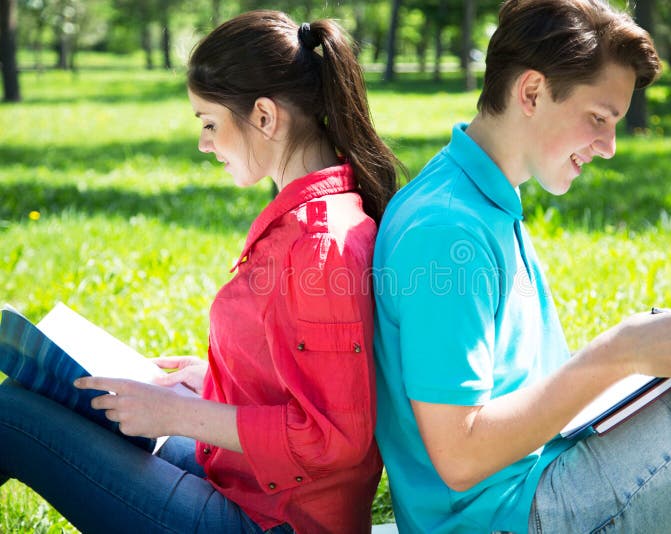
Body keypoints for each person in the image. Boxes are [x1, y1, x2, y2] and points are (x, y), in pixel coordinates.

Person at [371, 0, 671, 532]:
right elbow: (460, 457)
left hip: (538, 474)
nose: (610, 147)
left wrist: (645, 365)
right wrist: (618, 355)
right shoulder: (448, 231)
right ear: (531, 92)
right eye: (598, 119)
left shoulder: (477, 198)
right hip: (512, 513)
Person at [0, 10, 400, 534]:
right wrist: (214, 383)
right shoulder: (312, 219)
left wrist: (174, 414)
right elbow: (305, 379)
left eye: (209, 123)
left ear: (263, 115)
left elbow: (336, 439)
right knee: (35, 394)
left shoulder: (318, 244)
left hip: (275, 520)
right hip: (249, 486)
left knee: (9, 417)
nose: (204, 144)